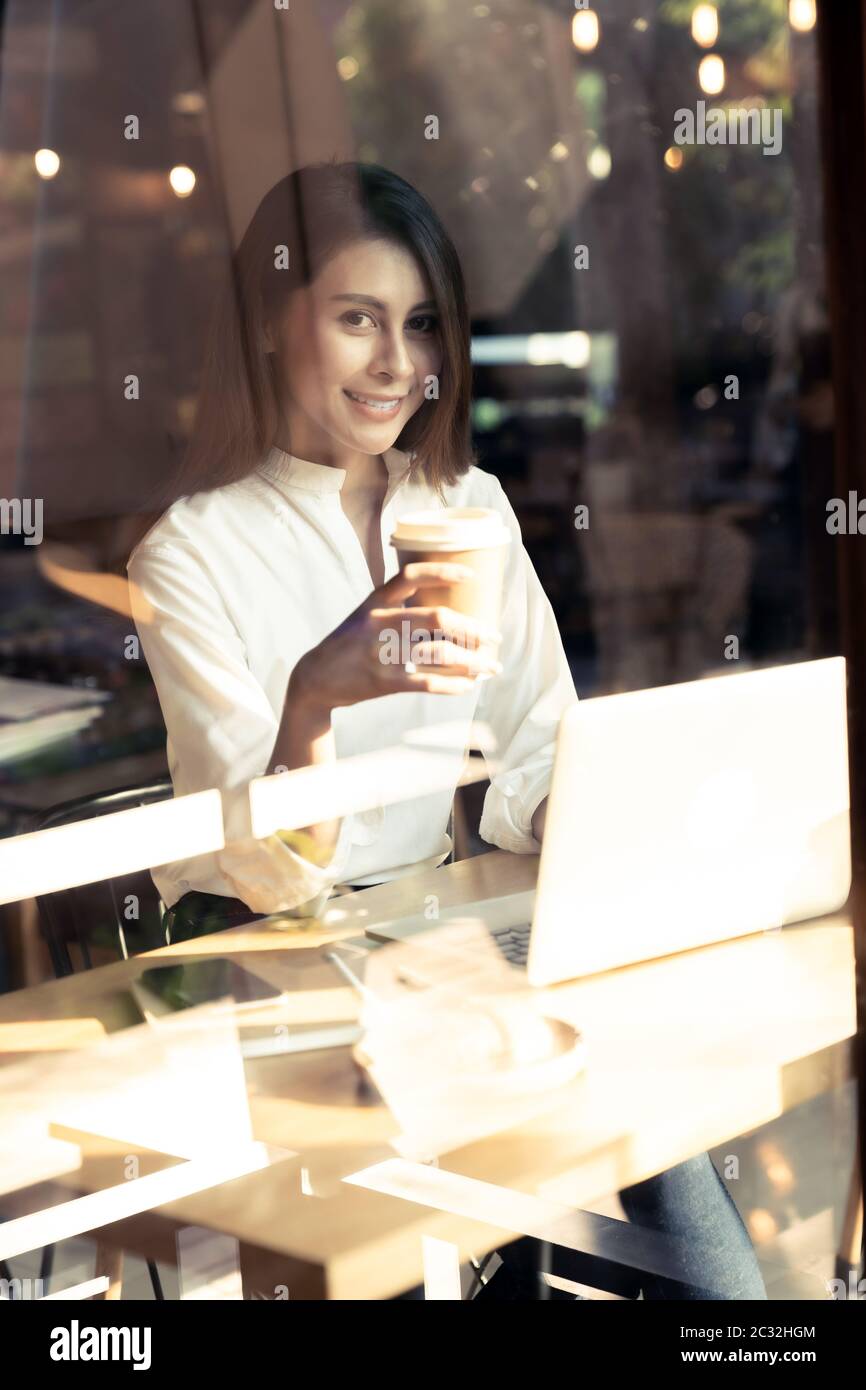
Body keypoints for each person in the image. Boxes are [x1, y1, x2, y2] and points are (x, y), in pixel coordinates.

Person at [128, 161, 766, 1300]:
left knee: (689, 1192)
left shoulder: (464, 507)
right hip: (261, 967)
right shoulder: (189, 553)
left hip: (432, 941)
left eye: (420, 323)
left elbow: (536, 746)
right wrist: (314, 697)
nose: (397, 363)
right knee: (504, 1182)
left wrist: (600, 815)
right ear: (269, 324)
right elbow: (266, 877)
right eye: (357, 319)